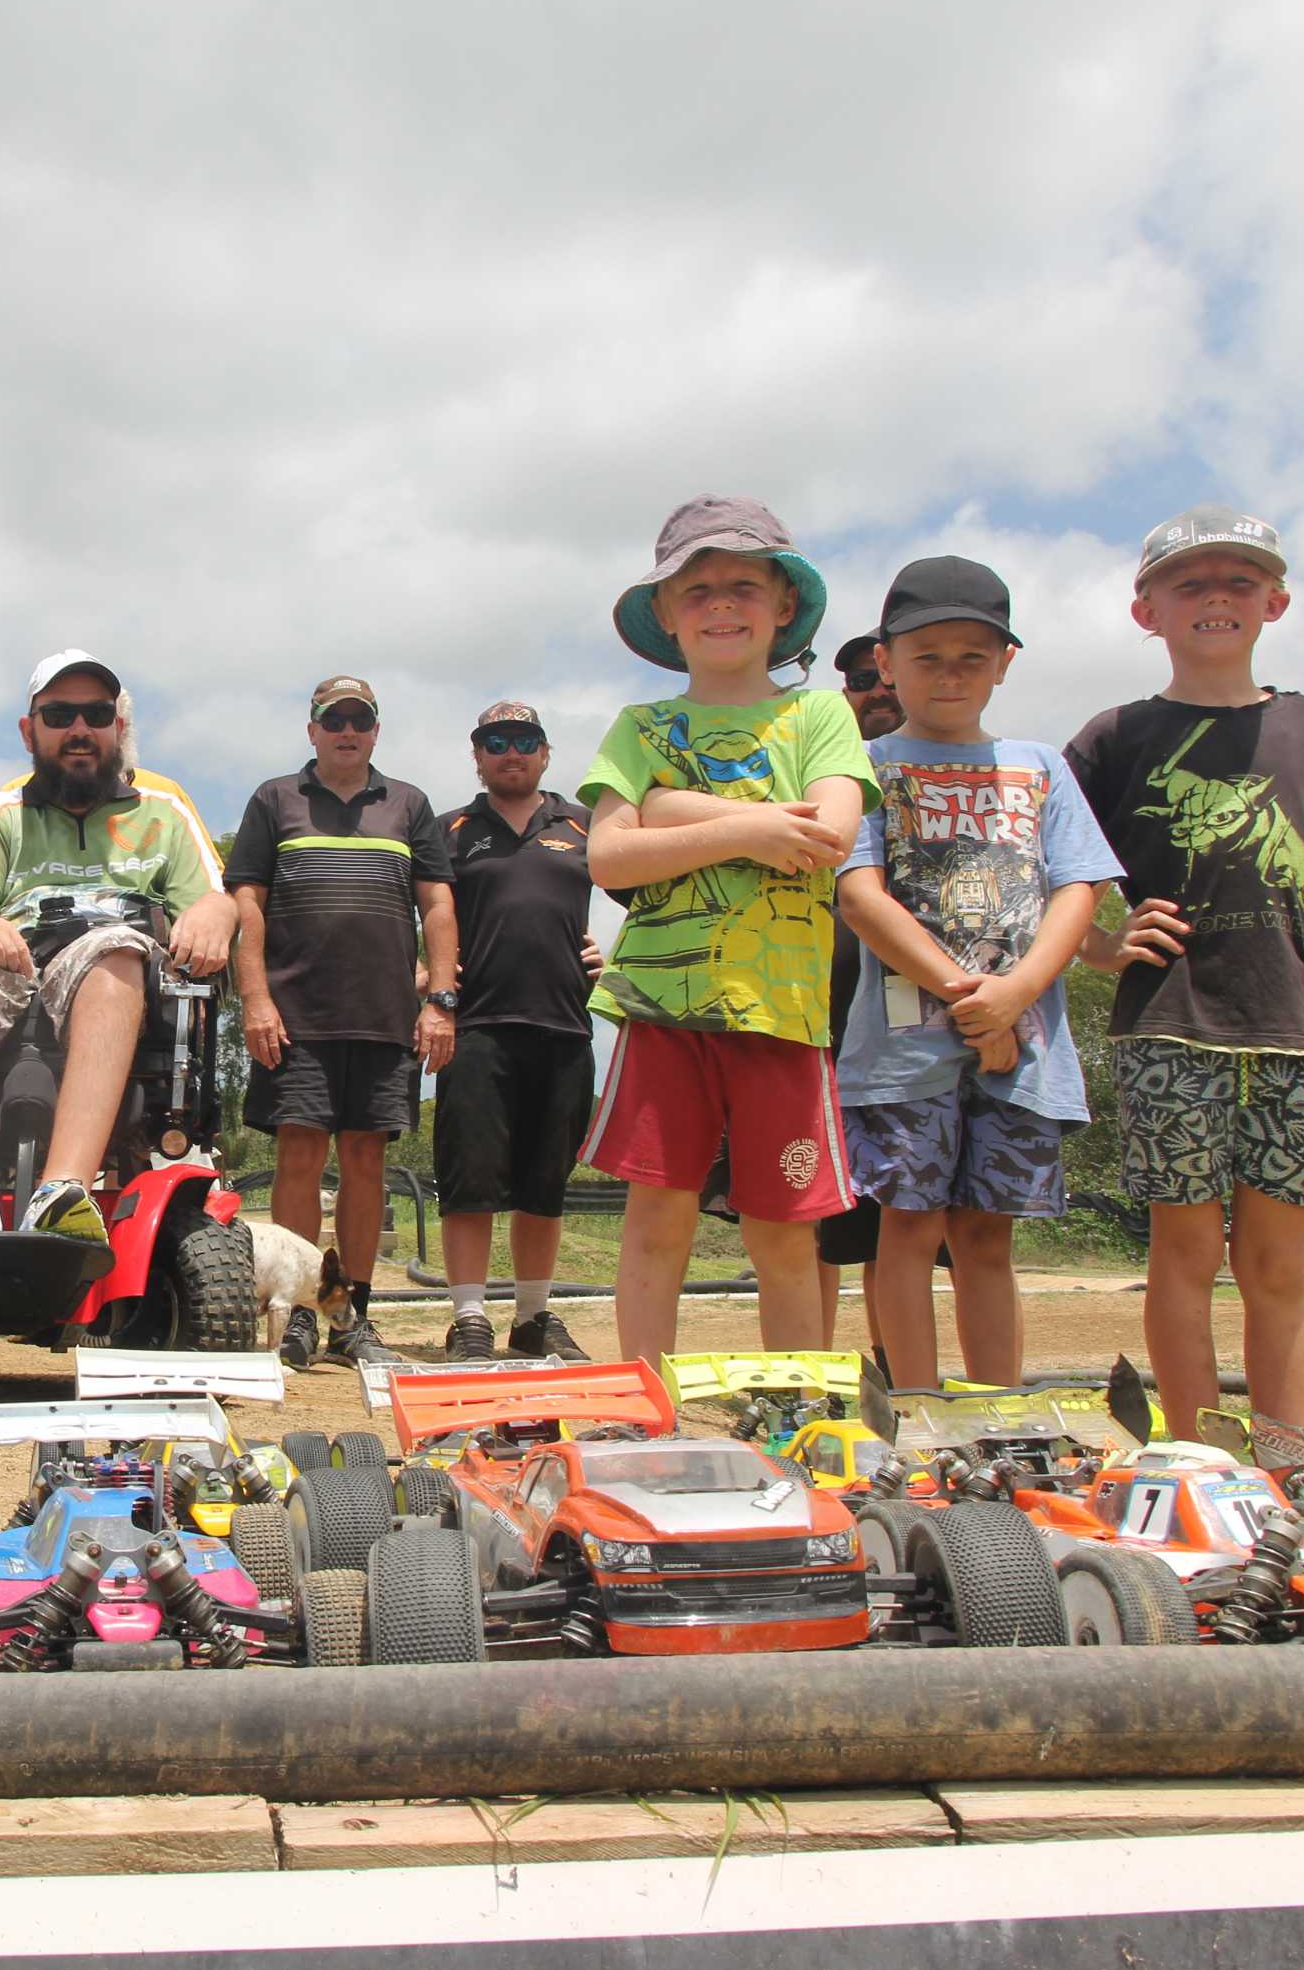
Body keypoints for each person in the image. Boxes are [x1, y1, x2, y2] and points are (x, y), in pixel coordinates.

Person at [1066, 507, 1304, 1444]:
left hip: (1299, 1024)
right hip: (1169, 1023)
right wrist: (1100, 945)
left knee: (1279, 1264)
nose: (1216, 596)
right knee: (1182, 1252)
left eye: (1239, 581)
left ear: (1276, 602)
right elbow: (1049, 871)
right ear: (1148, 612)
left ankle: (1284, 1457)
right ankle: (1195, 1456)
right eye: (1191, 583)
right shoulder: (1113, 738)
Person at [579, 496, 877, 1363]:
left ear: (784, 605)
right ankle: (648, 1404)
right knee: (656, 1220)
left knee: (784, 1235)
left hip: (783, 1013)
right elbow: (608, 858)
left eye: (744, 584)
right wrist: (749, 829)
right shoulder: (640, 728)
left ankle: (797, 1409)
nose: (720, 602)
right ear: (665, 616)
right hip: (661, 1009)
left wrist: (669, 808)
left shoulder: (820, 717)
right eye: (696, 587)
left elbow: (828, 837)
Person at [835, 557, 1119, 1388]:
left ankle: (998, 1415)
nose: (950, 674)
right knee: (910, 1228)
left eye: (972, 656)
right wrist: (973, 1005)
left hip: (1025, 1046)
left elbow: (1078, 889)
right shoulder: (863, 768)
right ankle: (919, 1408)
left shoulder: (1041, 765)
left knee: (988, 1236)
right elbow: (860, 897)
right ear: (886, 663)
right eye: (927, 656)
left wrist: (1016, 997)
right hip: (904, 1052)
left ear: (1005, 663)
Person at [0, 650, 233, 1239]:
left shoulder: (165, 815)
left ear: (117, 728)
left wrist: (215, 911)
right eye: (59, 715)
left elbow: (217, 899)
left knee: (115, 950)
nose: (79, 729)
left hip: (114, 976)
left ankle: (60, 1194)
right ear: (30, 731)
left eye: (96, 714)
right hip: (13, 971)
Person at [229, 675, 458, 1370]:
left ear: (375, 731)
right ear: (313, 730)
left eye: (359, 719)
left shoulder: (410, 804)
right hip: (295, 1018)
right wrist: (256, 1000)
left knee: (366, 1162)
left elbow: (439, 907)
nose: (347, 731)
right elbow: (246, 904)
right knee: (298, 1158)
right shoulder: (275, 799)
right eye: (334, 720)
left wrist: (440, 1000)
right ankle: (300, 1312)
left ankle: (352, 1316)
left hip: (385, 1019)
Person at [433, 702, 603, 1364]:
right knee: (468, 1180)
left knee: (545, 1184)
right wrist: (427, 973)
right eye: (495, 741)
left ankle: (533, 1316)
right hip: (476, 1026)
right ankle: (469, 1316)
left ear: (546, 753)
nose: (511, 751)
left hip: (564, 1025)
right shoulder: (450, 830)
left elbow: (650, 899)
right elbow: (419, 909)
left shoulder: (584, 825)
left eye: (524, 740)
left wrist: (613, 957)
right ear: (476, 754)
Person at [810, 625, 912, 1341]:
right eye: (859, 679)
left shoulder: (937, 770)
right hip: (815, 1011)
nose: (876, 691)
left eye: (887, 678)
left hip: (906, 1015)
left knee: (893, 1206)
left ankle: (888, 1360)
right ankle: (806, 1371)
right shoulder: (812, 767)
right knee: (810, 1202)